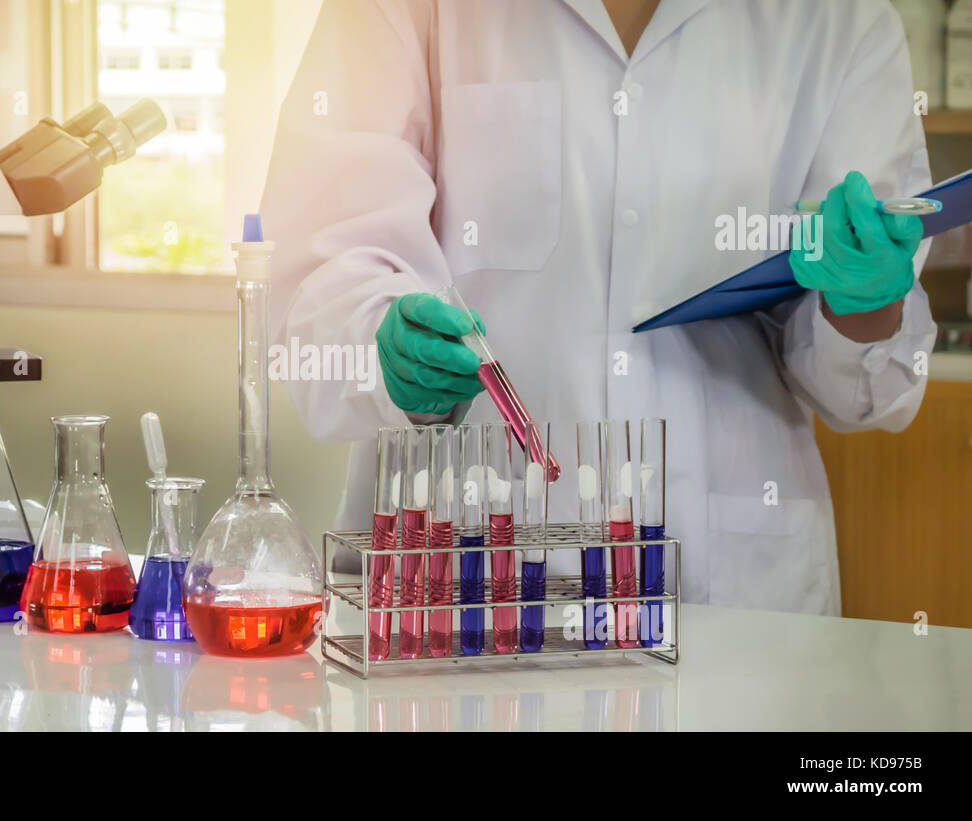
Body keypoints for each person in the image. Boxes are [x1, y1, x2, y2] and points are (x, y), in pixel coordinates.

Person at [260, 0, 938, 615]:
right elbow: (330, 253)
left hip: (734, 598)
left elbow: (863, 386)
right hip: (460, 589)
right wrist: (381, 341)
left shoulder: (837, 18)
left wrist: (864, 303)